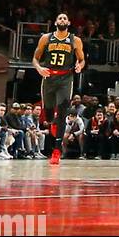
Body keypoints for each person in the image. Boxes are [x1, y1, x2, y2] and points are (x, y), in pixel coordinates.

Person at [32, 13, 85, 166]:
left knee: (62, 112)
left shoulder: (75, 40)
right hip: (49, 77)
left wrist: (79, 66)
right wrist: (38, 68)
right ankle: (52, 121)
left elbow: (81, 60)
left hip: (65, 78)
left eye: (65, 18)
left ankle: (56, 151)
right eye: (59, 18)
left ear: (68, 22)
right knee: (48, 116)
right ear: (55, 22)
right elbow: (35, 58)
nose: (62, 20)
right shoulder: (45, 38)